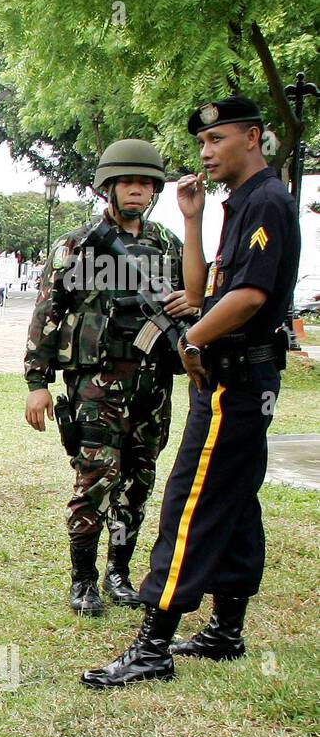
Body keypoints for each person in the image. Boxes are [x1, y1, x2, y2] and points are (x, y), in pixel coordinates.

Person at [83, 97, 299, 688]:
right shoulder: (241, 204)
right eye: (201, 143)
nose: (204, 153)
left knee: (192, 499)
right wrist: (194, 221)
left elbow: (248, 296)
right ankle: (226, 628)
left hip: (236, 378)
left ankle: (153, 644)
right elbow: (201, 290)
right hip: (238, 376)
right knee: (233, 496)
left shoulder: (268, 202)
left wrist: (193, 343)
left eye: (216, 141)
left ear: (252, 138)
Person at [24, 140, 188, 616]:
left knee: (139, 478)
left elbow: (189, 297)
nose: (137, 191)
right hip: (95, 383)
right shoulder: (79, 244)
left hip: (152, 383)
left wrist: (188, 301)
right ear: (108, 188)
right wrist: (37, 382)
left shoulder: (165, 245)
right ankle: (84, 580)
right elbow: (48, 311)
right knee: (95, 478)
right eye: (128, 183)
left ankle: (119, 572)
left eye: (145, 184)